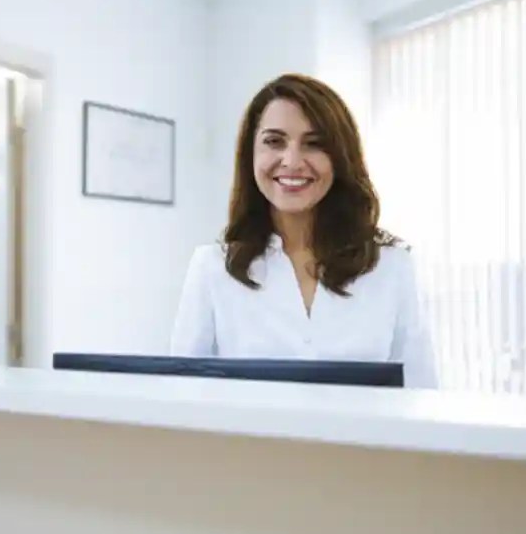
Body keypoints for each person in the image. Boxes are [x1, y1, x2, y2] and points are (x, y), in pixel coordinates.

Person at [170, 73, 438, 388]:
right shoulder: (212, 268)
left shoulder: (392, 266)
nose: (292, 161)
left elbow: (421, 394)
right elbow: (184, 401)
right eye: (274, 142)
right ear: (250, 154)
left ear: (340, 158)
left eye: (314, 144)